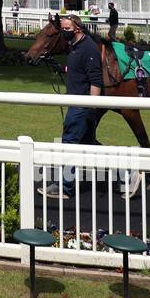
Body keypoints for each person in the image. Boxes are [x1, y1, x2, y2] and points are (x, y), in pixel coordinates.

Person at [43, 14, 104, 199]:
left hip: (82, 105)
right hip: (77, 103)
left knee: (69, 142)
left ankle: (65, 188)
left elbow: (96, 80)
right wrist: (61, 68)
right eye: (63, 29)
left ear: (77, 29)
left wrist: (91, 107)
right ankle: (127, 172)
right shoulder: (75, 47)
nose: (64, 32)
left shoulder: (89, 48)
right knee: (89, 145)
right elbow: (77, 71)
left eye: (67, 29)